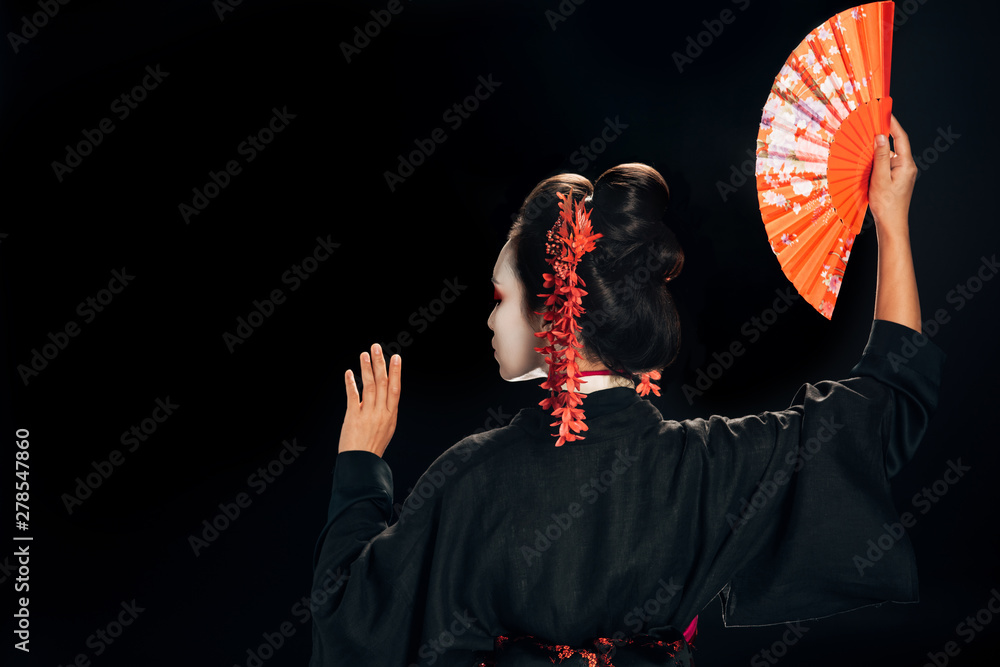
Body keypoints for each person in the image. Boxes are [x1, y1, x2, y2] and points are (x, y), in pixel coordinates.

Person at [310, 114, 945, 666]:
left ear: (548, 313)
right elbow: (885, 406)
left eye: (500, 299)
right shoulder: (701, 467)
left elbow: (351, 629)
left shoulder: (472, 478)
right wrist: (892, 221)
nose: (489, 318)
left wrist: (361, 469)